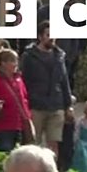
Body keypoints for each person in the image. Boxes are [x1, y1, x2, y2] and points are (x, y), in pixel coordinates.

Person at [21, 20, 73, 156]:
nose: (52, 38)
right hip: (36, 105)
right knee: (33, 143)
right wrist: (25, 105)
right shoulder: (29, 56)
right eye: (48, 34)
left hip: (56, 104)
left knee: (54, 143)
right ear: (40, 37)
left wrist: (68, 105)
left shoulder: (59, 56)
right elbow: (23, 81)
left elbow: (64, 81)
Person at [0, 49, 33, 153]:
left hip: (19, 125)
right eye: (12, 61)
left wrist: (28, 116)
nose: (16, 64)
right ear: (3, 63)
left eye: (16, 61)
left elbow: (24, 99)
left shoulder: (18, 79)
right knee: (4, 155)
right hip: (2, 127)